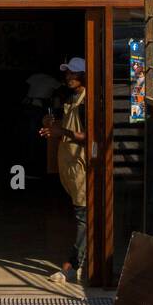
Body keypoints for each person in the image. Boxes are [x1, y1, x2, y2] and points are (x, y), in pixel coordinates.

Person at [39, 57, 87, 282]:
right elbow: (64, 126)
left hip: (81, 166)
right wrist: (51, 123)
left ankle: (73, 265)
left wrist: (62, 133)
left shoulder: (87, 103)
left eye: (74, 74)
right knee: (81, 215)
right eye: (68, 74)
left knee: (83, 216)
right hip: (69, 167)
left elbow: (88, 137)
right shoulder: (71, 99)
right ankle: (80, 263)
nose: (69, 77)